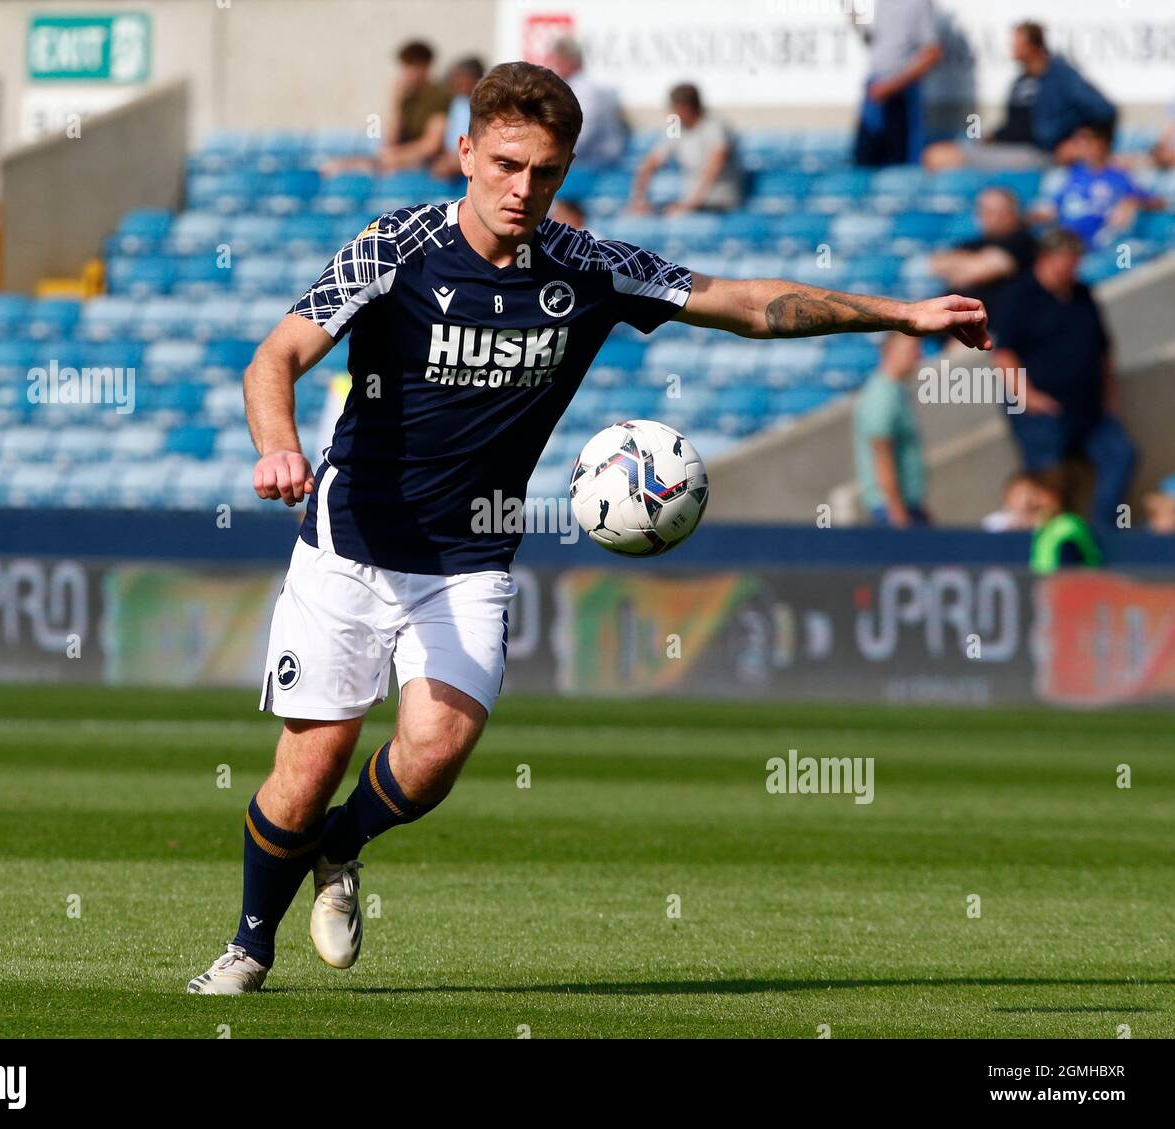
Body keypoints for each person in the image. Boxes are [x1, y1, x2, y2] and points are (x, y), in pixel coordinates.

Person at [186, 60, 991, 995]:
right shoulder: (392, 247)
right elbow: (276, 354)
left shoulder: (588, 267)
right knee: (312, 759)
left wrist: (899, 314)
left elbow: (739, 302)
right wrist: (278, 445)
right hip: (351, 538)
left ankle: (340, 848)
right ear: (465, 154)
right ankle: (248, 945)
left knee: (437, 751)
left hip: (469, 550)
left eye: (546, 172)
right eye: (505, 164)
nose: (524, 189)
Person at [991, 229, 1136, 530]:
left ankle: (1100, 533)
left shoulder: (1082, 295)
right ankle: (1052, 541)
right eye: (1066, 260)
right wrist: (1027, 396)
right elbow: (1003, 353)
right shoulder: (1021, 296)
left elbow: (1103, 352)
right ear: (1046, 258)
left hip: (1090, 412)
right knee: (1048, 478)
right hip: (1043, 411)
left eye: (1075, 260)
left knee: (1121, 456)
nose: (1071, 267)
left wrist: (1109, 402)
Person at [923, 22, 1115, 171]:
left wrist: (1075, 143)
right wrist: (994, 136)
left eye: (1017, 43)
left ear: (1034, 46)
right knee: (945, 150)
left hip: (1038, 152)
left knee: (939, 156)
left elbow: (1103, 110)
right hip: (1009, 147)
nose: (1012, 48)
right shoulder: (1021, 81)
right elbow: (1016, 123)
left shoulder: (1061, 77)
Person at [323, 41, 450, 175]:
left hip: (426, 161)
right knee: (334, 166)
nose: (407, 72)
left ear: (426, 67)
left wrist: (395, 156)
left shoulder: (438, 97)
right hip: (399, 157)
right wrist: (395, 102)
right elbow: (390, 140)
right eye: (405, 66)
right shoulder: (406, 97)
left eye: (412, 66)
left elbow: (431, 145)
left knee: (371, 167)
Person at [1034, 122, 1164, 249]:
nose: (1081, 145)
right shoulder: (1068, 175)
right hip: (1067, 243)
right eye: (1078, 140)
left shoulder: (1119, 176)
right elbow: (1051, 208)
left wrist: (1132, 201)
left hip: (1103, 244)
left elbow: (1157, 202)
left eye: (1087, 140)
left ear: (1102, 143)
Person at [852, 0, 943, 167]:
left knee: (904, 167)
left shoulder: (918, 3)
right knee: (865, 162)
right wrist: (853, 15)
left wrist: (891, 86)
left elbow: (932, 52)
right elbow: (874, 40)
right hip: (876, 89)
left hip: (901, 92)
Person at [628, 83, 742, 215]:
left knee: (678, 219)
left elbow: (715, 164)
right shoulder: (675, 124)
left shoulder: (715, 125)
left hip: (719, 201)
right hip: (689, 201)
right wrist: (638, 198)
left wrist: (691, 203)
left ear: (686, 108)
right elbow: (653, 161)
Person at [854, 333, 929, 527]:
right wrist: (897, 513)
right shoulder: (883, 395)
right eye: (912, 350)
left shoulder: (896, 391)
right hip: (893, 510)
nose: (918, 357)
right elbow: (882, 453)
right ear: (890, 352)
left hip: (905, 506)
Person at [928, 187, 1038, 310]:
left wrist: (960, 267)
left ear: (1013, 212)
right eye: (984, 211)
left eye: (997, 211)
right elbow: (937, 264)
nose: (990, 217)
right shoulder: (973, 242)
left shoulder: (1021, 242)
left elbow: (981, 272)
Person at [545, 36, 626, 169]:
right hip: (583, 159)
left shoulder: (586, 90)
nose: (553, 66)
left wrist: (552, 153)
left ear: (568, 61)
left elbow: (583, 134)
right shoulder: (567, 86)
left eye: (557, 61)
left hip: (597, 163)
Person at [430, 56, 485, 180]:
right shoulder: (458, 103)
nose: (455, 82)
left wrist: (456, 162)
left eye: (460, 77)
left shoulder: (484, 107)